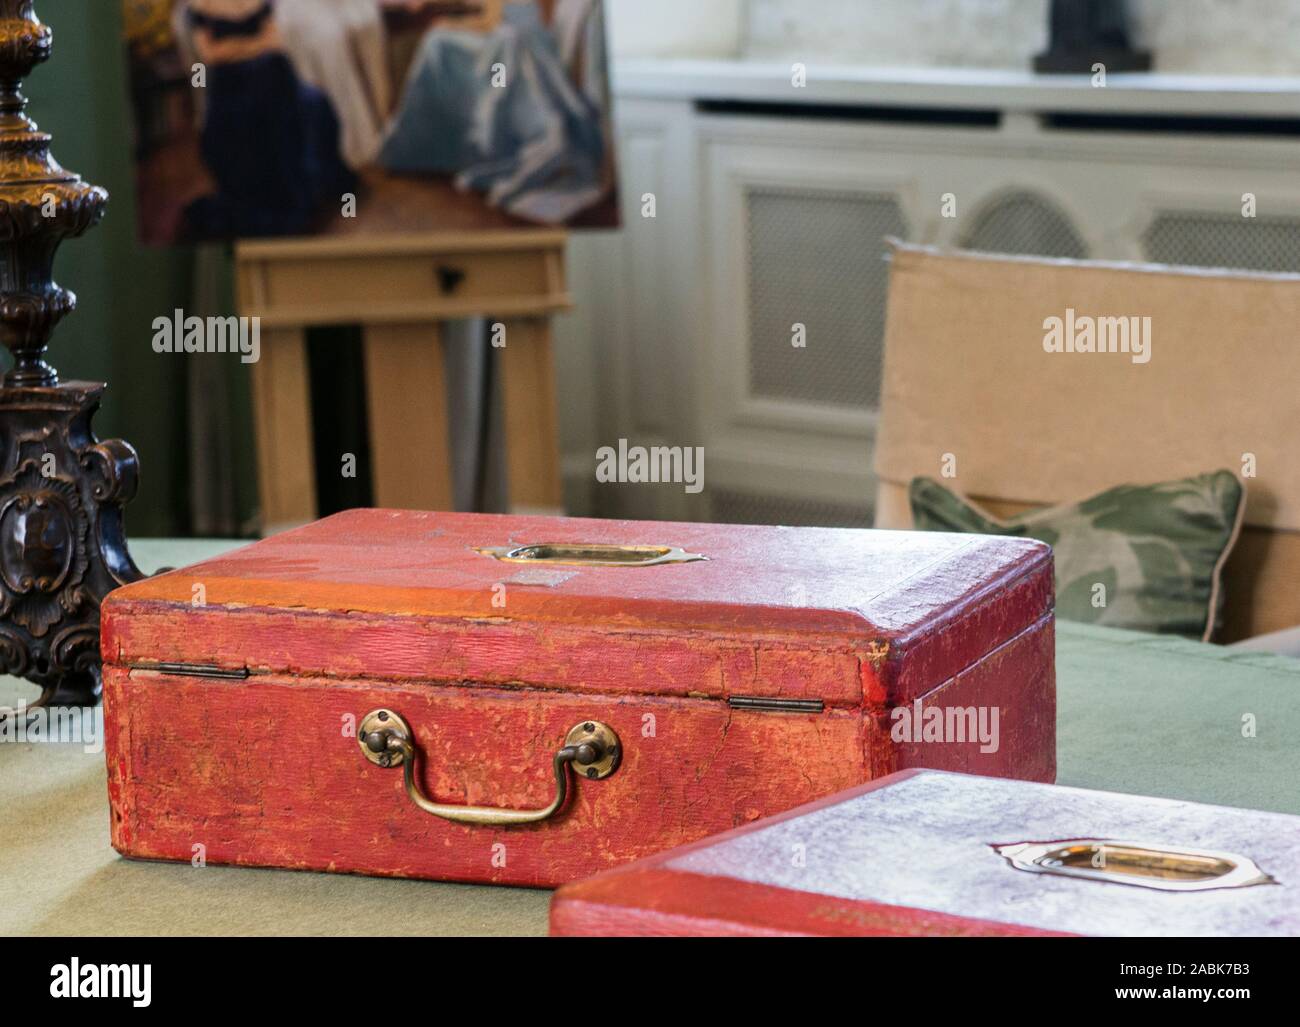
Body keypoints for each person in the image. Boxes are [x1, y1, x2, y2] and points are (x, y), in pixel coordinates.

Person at [379, 0, 611, 225]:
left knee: (501, 60)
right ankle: (428, 154)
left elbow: (527, 23)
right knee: (438, 43)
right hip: (506, 42)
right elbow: (503, 18)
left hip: (525, 50)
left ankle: (484, 140)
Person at [182, 0, 356, 239]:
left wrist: (236, 48)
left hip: (273, 72)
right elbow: (210, 55)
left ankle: (296, 184)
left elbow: (275, 43)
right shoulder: (200, 6)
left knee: (297, 102)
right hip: (231, 83)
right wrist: (254, 47)